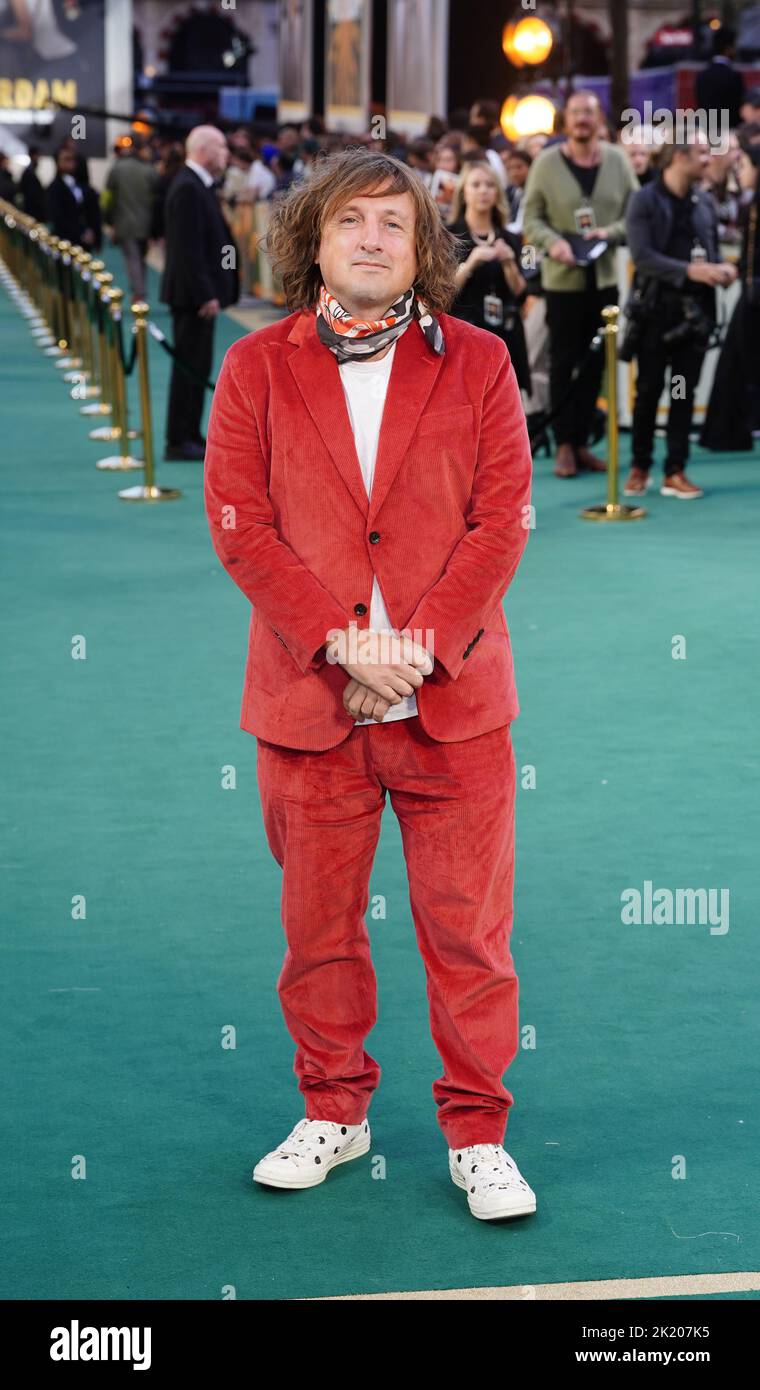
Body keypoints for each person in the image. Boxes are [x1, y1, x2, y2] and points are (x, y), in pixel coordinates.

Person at [203, 147, 536, 1224]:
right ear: (313, 238)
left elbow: (500, 522)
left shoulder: (479, 360)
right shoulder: (255, 364)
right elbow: (240, 526)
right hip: (311, 708)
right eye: (353, 221)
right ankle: (333, 1109)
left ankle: (477, 1130)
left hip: (455, 705)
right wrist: (346, 644)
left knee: (470, 936)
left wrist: (421, 650)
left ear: (422, 246)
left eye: (396, 223)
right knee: (319, 933)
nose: (374, 239)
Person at [522, 90, 639, 477]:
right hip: (562, 281)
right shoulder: (545, 164)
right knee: (563, 361)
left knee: (596, 365)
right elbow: (531, 219)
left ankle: (585, 441)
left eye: (588, 113)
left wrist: (610, 233)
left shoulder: (619, 162)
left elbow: (635, 216)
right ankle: (565, 444)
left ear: (599, 118)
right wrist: (552, 243)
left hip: (604, 279)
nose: (582, 120)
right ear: (566, 121)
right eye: (575, 113)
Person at [622, 137, 738, 499]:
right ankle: (640, 466)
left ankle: (676, 469)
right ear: (678, 157)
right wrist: (691, 271)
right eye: (701, 154)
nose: (708, 160)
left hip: (695, 317)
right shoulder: (644, 199)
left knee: (683, 393)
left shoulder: (704, 202)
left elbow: (713, 250)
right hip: (655, 314)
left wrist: (721, 271)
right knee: (649, 392)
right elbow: (642, 256)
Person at [159, 125, 239, 461]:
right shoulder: (189, 188)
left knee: (197, 366)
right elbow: (187, 250)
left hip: (197, 297)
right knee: (189, 367)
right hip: (194, 298)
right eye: (221, 148)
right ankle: (180, 437)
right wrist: (205, 293)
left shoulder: (197, 186)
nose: (227, 155)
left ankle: (189, 432)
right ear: (204, 150)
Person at [447, 160, 531, 395]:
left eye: (489, 185)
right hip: (465, 331)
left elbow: (521, 292)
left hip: (505, 331)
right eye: (476, 185)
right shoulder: (449, 235)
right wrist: (471, 263)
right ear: (464, 192)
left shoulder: (511, 238)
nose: (483, 190)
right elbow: (443, 291)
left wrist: (508, 264)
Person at [701, 144, 760, 451]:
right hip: (749, 296)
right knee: (734, 364)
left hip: (752, 299)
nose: (742, 172)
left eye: (747, 165)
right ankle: (730, 432)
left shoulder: (753, 207)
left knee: (736, 364)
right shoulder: (751, 206)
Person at [104, 133, 159, 302]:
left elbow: (107, 198)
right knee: (140, 259)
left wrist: (109, 221)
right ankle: (140, 291)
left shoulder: (117, 168)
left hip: (125, 223)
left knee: (133, 258)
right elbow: (156, 201)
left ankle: (139, 293)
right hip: (146, 224)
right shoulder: (150, 171)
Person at [45, 143, 101, 249]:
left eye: (72, 159)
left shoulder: (82, 185)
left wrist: (93, 233)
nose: (71, 163)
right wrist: (80, 234)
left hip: (84, 241)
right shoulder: (54, 188)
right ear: (58, 163)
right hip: (66, 242)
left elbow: (91, 212)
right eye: (66, 159)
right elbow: (59, 218)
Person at [695, 25, 745, 130]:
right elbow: (738, 108)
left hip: (707, 131)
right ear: (728, 49)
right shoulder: (733, 76)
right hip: (729, 132)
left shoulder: (702, 76)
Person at [18, 144, 46, 220]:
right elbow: (32, 196)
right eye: (37, 155)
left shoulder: (29, 172)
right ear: (33, 156)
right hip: (33, 212)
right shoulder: (29, 174)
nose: (39, 158)